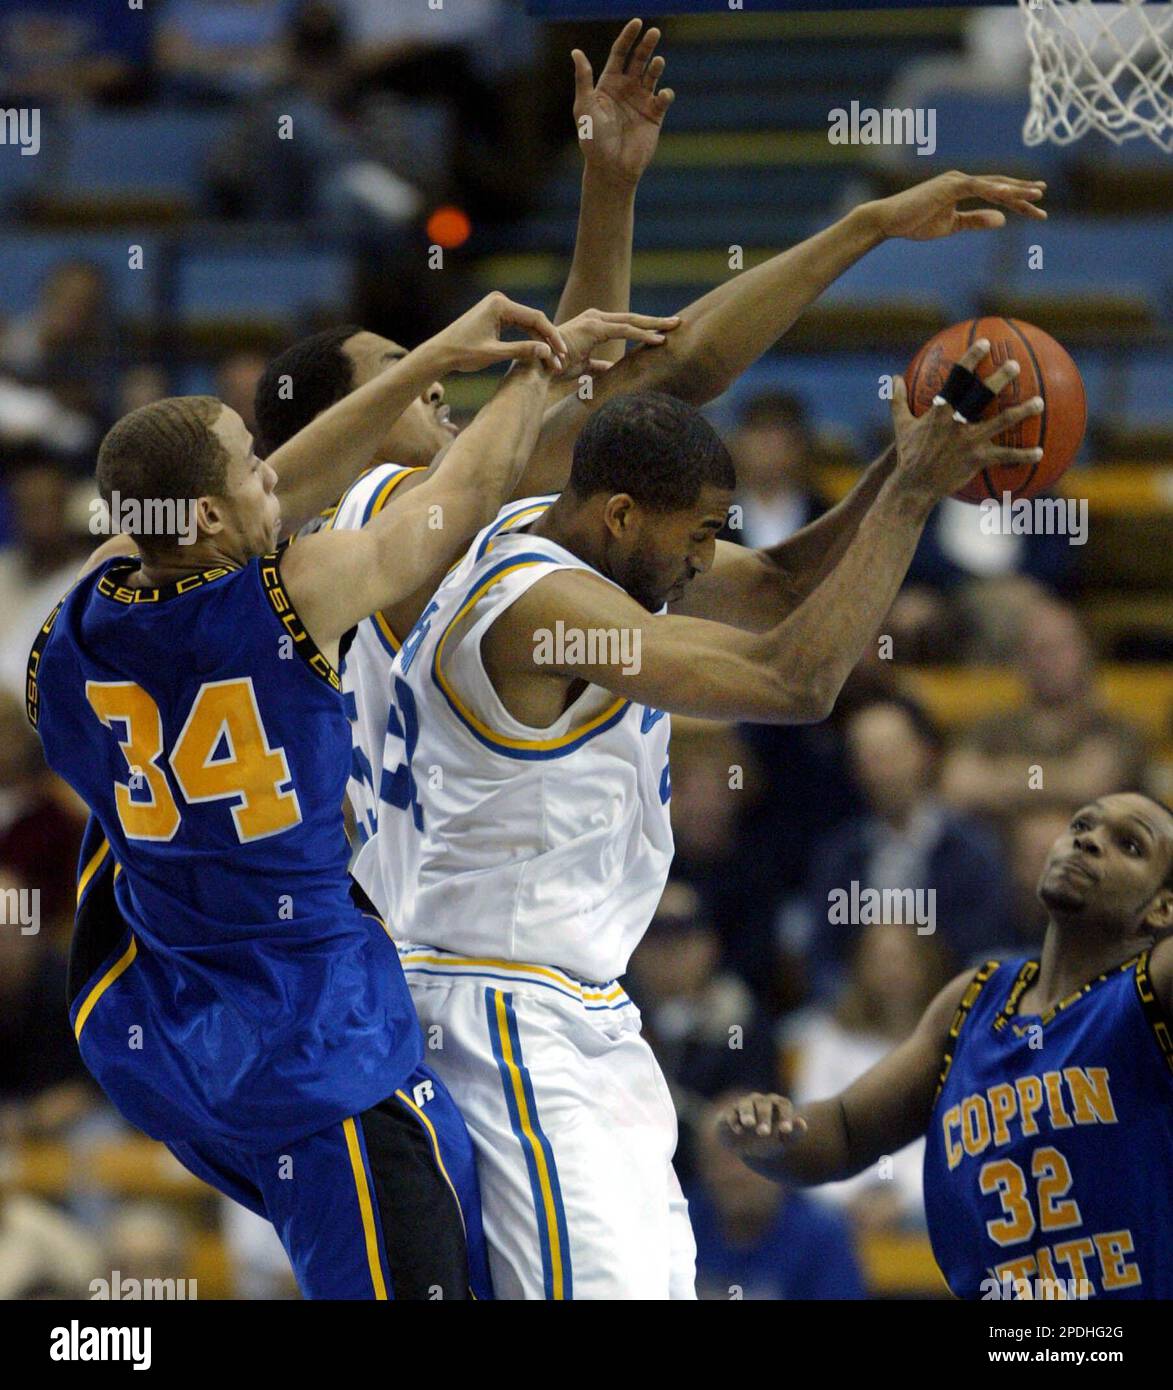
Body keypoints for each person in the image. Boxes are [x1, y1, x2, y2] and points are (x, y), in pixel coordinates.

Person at [363, 332, 1043, 1300]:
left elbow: (775, 588)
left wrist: (914, 452)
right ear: (620, 511)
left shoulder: (547, 532)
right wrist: (909, 499)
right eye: (693, 534)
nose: (701, 558)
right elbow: (793, 678)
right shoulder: (535, 604)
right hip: (498, 1007)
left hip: (572, 1004)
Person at [24, 294, 654, 1298]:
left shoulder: (68, 630)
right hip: (313, 1043)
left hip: (166, 1029)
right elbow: (457, 498)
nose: (277, 466)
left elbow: (273, 485)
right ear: (216, 516)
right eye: (250, 462)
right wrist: (538, 373)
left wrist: (432, 359)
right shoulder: (296, 595)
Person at [722, 792, 1173, 1301]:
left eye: (1129, 845)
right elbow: (847, 1132)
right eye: (1081, 826)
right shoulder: (975, 998)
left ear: (1162, 908)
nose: (1089, 841)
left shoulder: (1149, 993)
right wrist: (772, 1140)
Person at [689, 1093, 865, 1301]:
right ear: (701, 1167)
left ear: (780, 1164)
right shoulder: (676, 1223)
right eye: (720, 1159)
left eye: (749, 1159)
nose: (734, 1174)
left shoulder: (822, 1235)